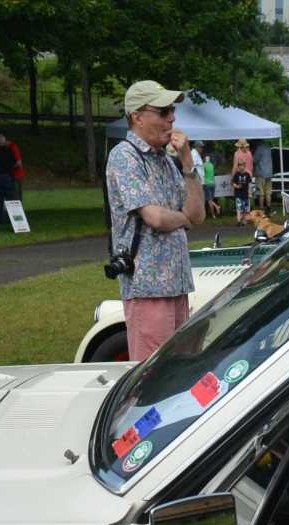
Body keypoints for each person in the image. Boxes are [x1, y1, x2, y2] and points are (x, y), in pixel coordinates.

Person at [106, 79, 204, 361]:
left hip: (177, 284)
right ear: (137, 116)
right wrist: (183, 217)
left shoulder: (164, 160)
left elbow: (197, 215)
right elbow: (155, 217)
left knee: (180, 370)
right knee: (153, 376)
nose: (172, 118)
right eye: (163, 112)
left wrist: (187, 163)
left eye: (172, 110)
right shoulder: (124, 156)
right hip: (148, 287)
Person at [0, 134, 18, 225]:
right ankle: (14, 218)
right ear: (4, 141)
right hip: (8, 177)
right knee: (11, 198)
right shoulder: (9, 150)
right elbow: (15, 163)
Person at [231, 139, 254, 217]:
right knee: (247, 196)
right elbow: (251, 165)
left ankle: (240, 215)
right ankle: (247, 215)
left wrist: (232, 177)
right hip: (249, 175)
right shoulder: (250, 153)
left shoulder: (237, 154)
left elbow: (235, 166)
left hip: (239, 175)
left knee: (239, 195)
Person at [198, 145, 219, 217]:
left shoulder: (203, 165)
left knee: (209, 200)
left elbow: (201, 173)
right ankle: (212, 212)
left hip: (207, 184)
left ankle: (214, 213)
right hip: (213, 183)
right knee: (211, 199)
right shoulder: (212, 165)